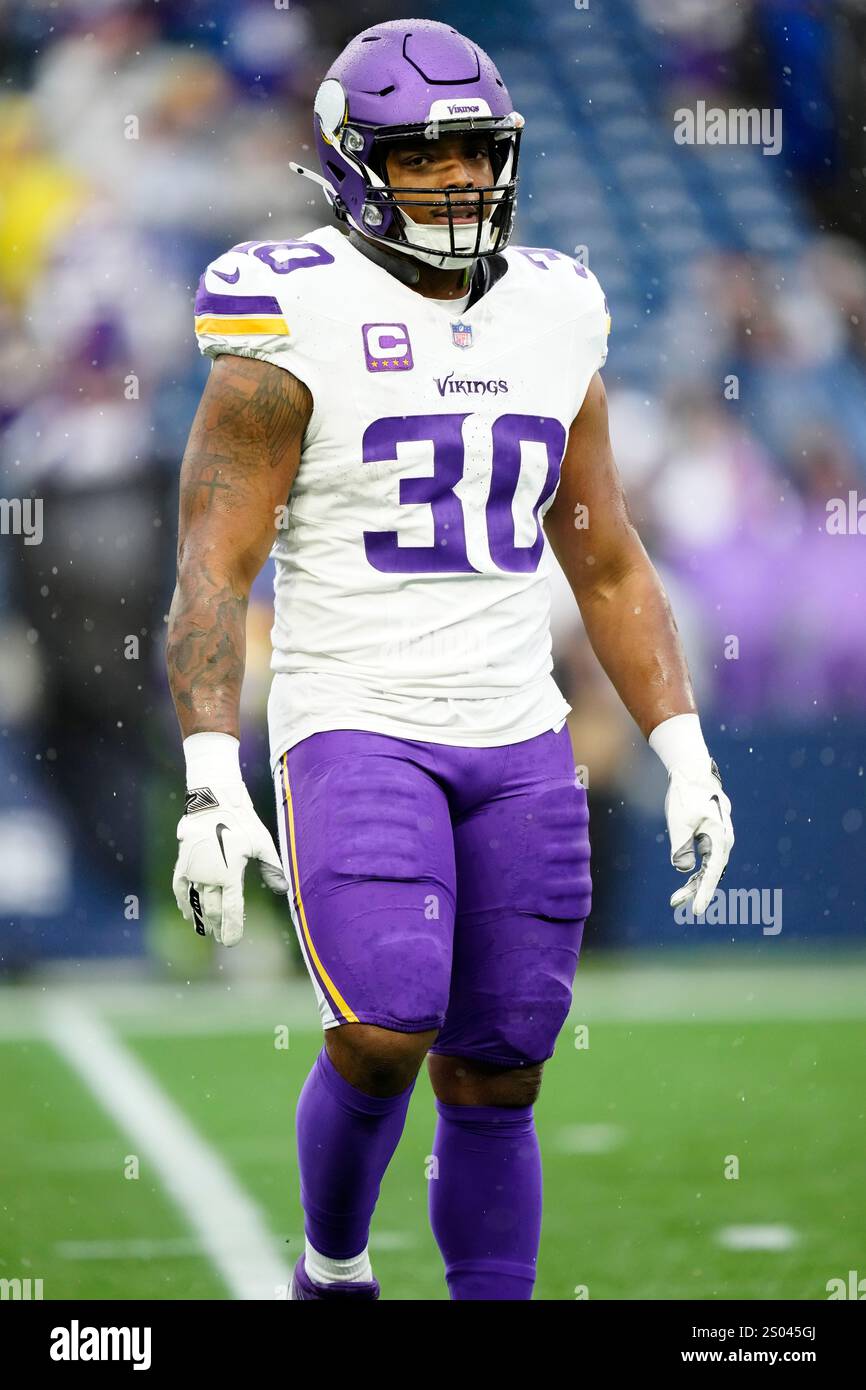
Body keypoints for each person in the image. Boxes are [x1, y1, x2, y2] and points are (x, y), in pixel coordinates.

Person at [166, 18, 734, 1301]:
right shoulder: (287, 310)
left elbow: (604, 558)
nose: (460, 179)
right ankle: (333, 1265)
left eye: (475, 151)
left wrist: (683, 749)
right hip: (354, 715)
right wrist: (212, 776)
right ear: (357, 166)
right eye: (424, 157)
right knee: (383, 1022)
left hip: (515, 729)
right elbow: (213, 569)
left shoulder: (555, 308)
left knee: (504, 1060)